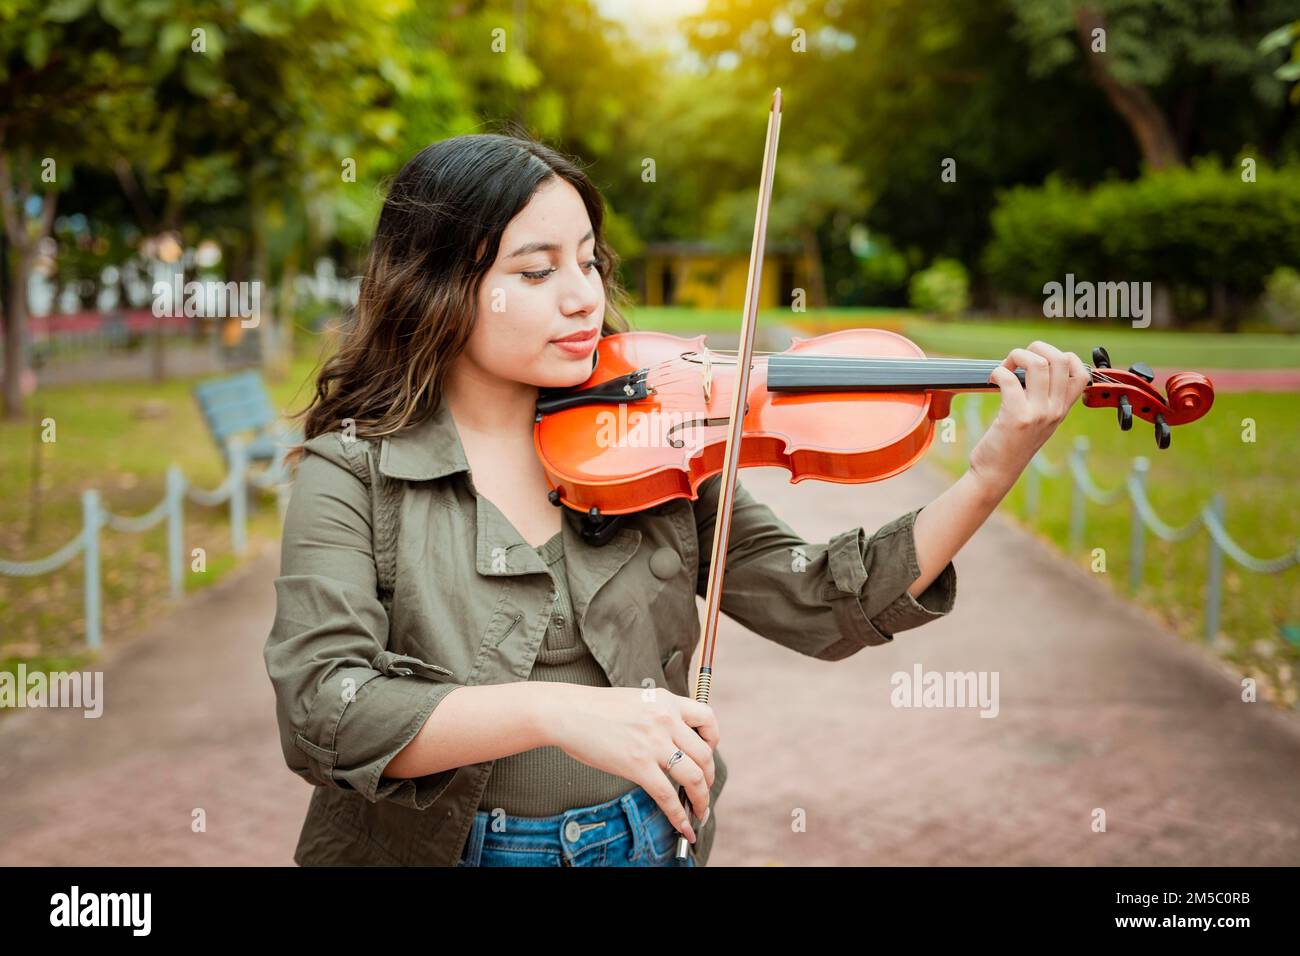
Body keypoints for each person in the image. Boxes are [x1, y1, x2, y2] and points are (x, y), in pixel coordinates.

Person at [262, 131, 1089, 867]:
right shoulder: (354, 472)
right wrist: (555, 713)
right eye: (538, 270)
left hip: (649, 841)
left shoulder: (652, 437)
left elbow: (821, 597)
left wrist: (988, 476)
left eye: (589, 260)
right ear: (436, 284)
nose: (584, 294)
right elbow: (325, 707)